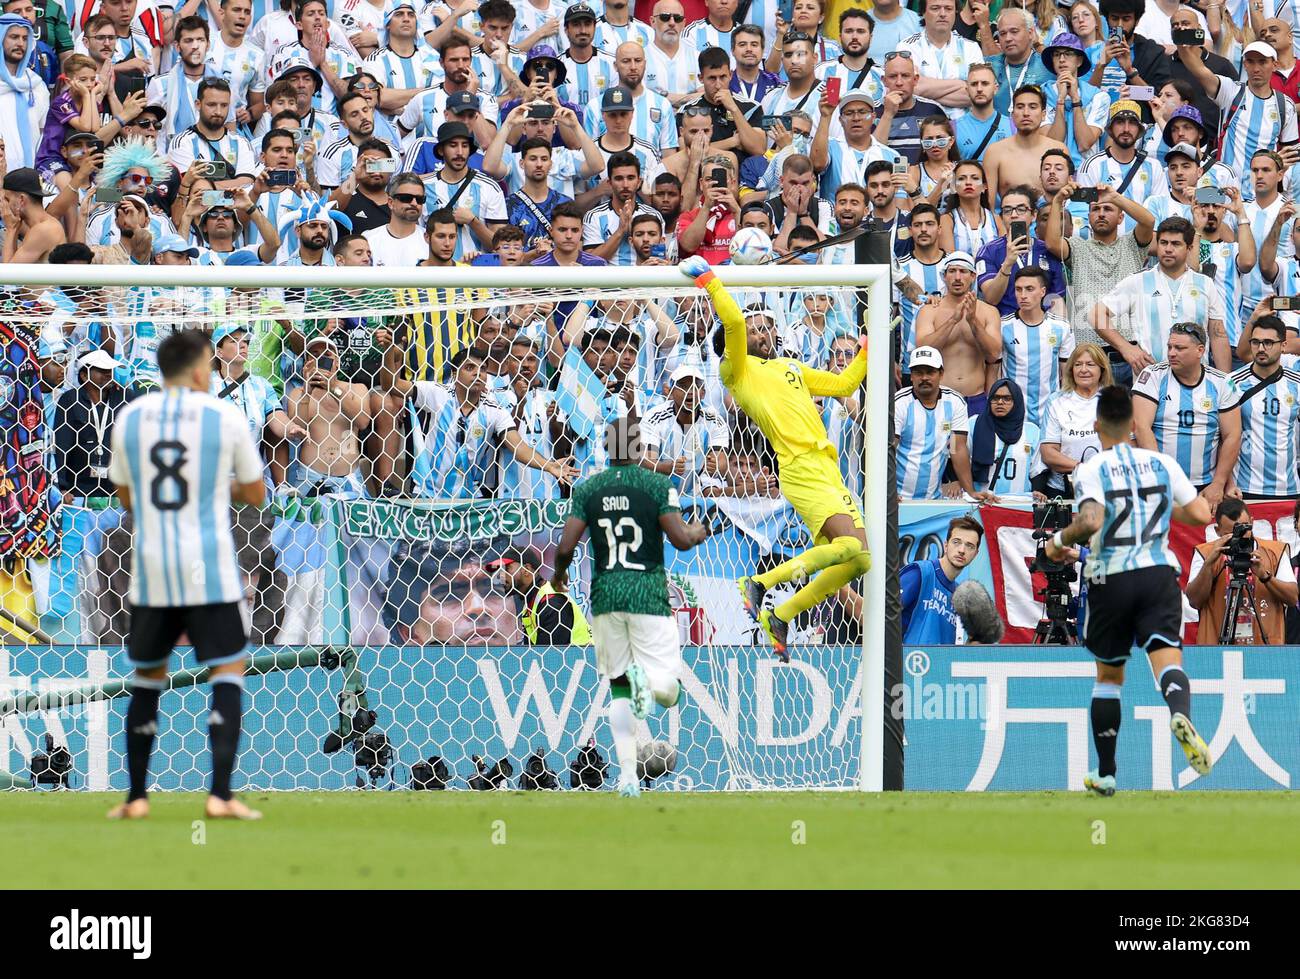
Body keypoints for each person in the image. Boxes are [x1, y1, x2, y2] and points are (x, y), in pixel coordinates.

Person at [105, 329, 267, 821]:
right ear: (202, 369)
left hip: (153, 568)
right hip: (210, 568)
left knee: (148, 676)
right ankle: (219, 795)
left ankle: (136, 800)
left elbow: (126, 496)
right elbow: (256, 493)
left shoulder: (130, 417)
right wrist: (217, 488)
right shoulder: (224, 416)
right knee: (228, 669)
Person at [680, 255, 871, 661]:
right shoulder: (738, 371)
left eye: (766, 326)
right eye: (755, 329)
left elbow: (843, 383)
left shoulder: (790, 367)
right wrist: (711, 281)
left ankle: (781, 614)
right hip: (800, 467)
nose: (761, 332)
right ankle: (761, 583)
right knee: (851, 547)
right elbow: (731, 322)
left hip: (826, 467)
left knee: (861, 560)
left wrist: (868, 348)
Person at [1044, 384, 1213, 797]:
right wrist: (1149, 504)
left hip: (1112, 576)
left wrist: (1058, 542)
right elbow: (1201, 513)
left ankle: (1107, 773)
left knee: (1109, 677)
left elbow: (1091, 519)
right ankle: (1179, 713)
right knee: (1167, 659)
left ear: (1097, 425)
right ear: (1135, 425)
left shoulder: (1092, 468)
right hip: (1157, 573)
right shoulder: (1160, 463)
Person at [550, 416, 708, 797]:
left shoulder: (589, 489)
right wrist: (698, 532)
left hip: (606, 597)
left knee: (619, 689)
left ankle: (627, 780)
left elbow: (566, 547)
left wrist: (558, 577)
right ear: (640, 449)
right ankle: (651, 688)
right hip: (648, 595)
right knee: (668, 690)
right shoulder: (656, 484)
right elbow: (681, 540)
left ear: (606, 448)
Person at [1132, 323, 1241, 512]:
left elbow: (1232, 435)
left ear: (1200, 351)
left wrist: (1219, 483)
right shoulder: (1153, 376)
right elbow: (1141, 427)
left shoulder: (1222, 382)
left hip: (1205, 486)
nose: (1171, 353)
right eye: (1169, 347)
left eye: (1179, 348)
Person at [1185, 498, 1298, 646]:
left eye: (1244, 529)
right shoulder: (1206, 553)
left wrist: (1265, 576)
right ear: (1217, 531)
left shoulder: (1275, 551)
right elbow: (1194, 601)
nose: (1240, 537)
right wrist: (1208, 565)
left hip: (1265, 649)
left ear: (1252, 522)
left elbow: (1292, 598)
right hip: (1217, 650)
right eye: (1231, 533)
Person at [895, 345, 991, 501]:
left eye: (930, 372)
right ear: (911, 376)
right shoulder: (899, 403)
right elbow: (888, 450)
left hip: (934, 497)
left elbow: (957, 448)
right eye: (919, 372)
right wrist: (888, 492)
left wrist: (971, 492)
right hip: (897, 497)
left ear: (941, 374)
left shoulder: (955, 402)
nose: (924, 377)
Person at [1228, 316, 1300, 502]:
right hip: (1244, 489)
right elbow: (1222, 437)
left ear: (1283, 345)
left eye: (1268, 342)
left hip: (1289, 489)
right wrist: (1227, 483)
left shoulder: (1297, 384)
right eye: (1256, 342)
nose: (1261, 348)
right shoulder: (1231, 383)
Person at [998, 265, 1074, 427]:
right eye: (1018, 289)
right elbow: (994, 372)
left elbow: (1066, 375)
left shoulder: (1061, 327)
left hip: (1051, 414)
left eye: (1029, 289)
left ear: (1043, 292)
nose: (1023, 295)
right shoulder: (1003, 326)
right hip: (1013, 416)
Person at [1037, 342, 1111, 496]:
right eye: (1078, 364)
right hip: (1062, 489)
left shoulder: (1115, 400)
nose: (1083, 370)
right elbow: (1048, 452)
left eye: (1090, 364)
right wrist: (1083, 468)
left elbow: (1128, 446)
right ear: (1071, 369)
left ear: (1102, 369)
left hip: (1105, 487)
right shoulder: (1056, 401)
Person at [899, 515, 984, 643]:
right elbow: (880, 617)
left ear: (976, 553)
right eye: (956, 542)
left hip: (940, 662)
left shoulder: (959, 596)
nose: (962, 550)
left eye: (969, 546)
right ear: (946, 545)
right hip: (906, 661)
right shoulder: (919, 573)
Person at [488, 546, 592, 646]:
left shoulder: (551, 602)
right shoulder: (531, 604)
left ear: (526, 570)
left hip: (586, 661)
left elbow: (551, 657)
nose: (501, 576)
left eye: (507, 569)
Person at [969, 378, 1040, 496]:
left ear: (1016, 401)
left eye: (1007, 399)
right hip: (981, 502)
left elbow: (1037, 471)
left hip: (1018, 505)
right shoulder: (974, 424)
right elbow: (961, 461)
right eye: (995, 398)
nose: (1000, 402)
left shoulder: (1032, 431)